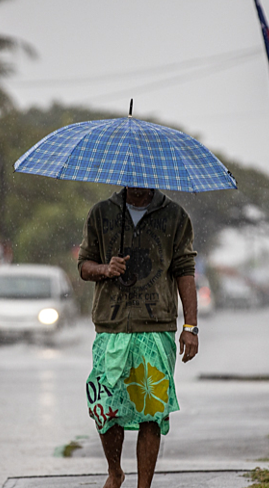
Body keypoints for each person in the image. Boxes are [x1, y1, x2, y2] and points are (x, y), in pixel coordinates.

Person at [78, 186, 199, 488]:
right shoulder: (101, 213)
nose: (137, 182)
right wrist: (105, 269)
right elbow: (83, 265)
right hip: (111, 325)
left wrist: (191, 327)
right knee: (105, 406)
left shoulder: (175, 216)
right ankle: (115, 471)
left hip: (156, 327)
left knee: (151, 412)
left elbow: (185, 270)